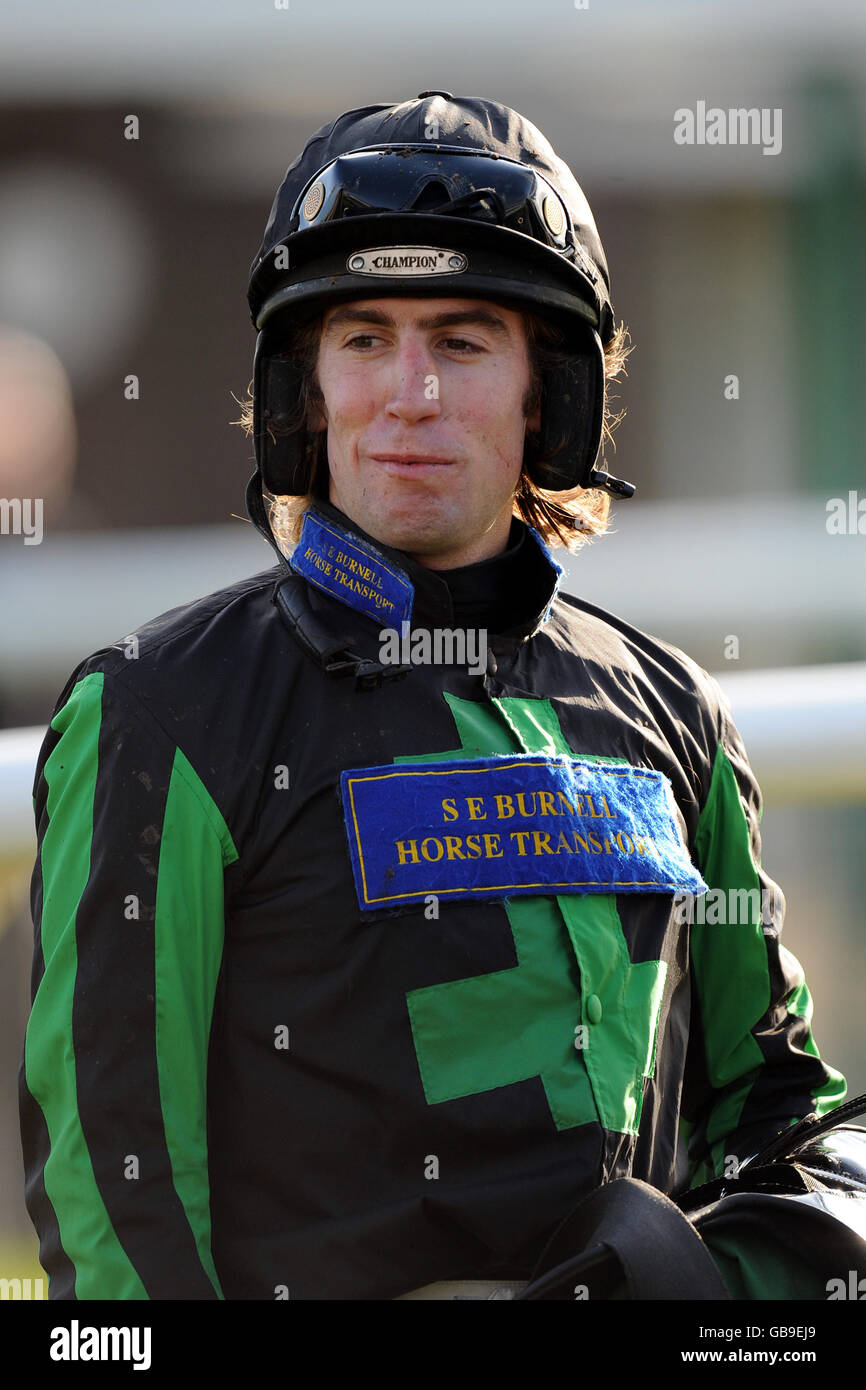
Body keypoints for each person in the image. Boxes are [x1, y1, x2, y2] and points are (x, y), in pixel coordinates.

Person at [19, 91, 848, 1301]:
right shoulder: (161, 718)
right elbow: (116, 1205)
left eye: (461, 342)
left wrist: (718, 1287)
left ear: (545, 395)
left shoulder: (679, 718)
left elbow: (786, 1117)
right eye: (363, 338)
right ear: (305, 391)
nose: (409, 394)